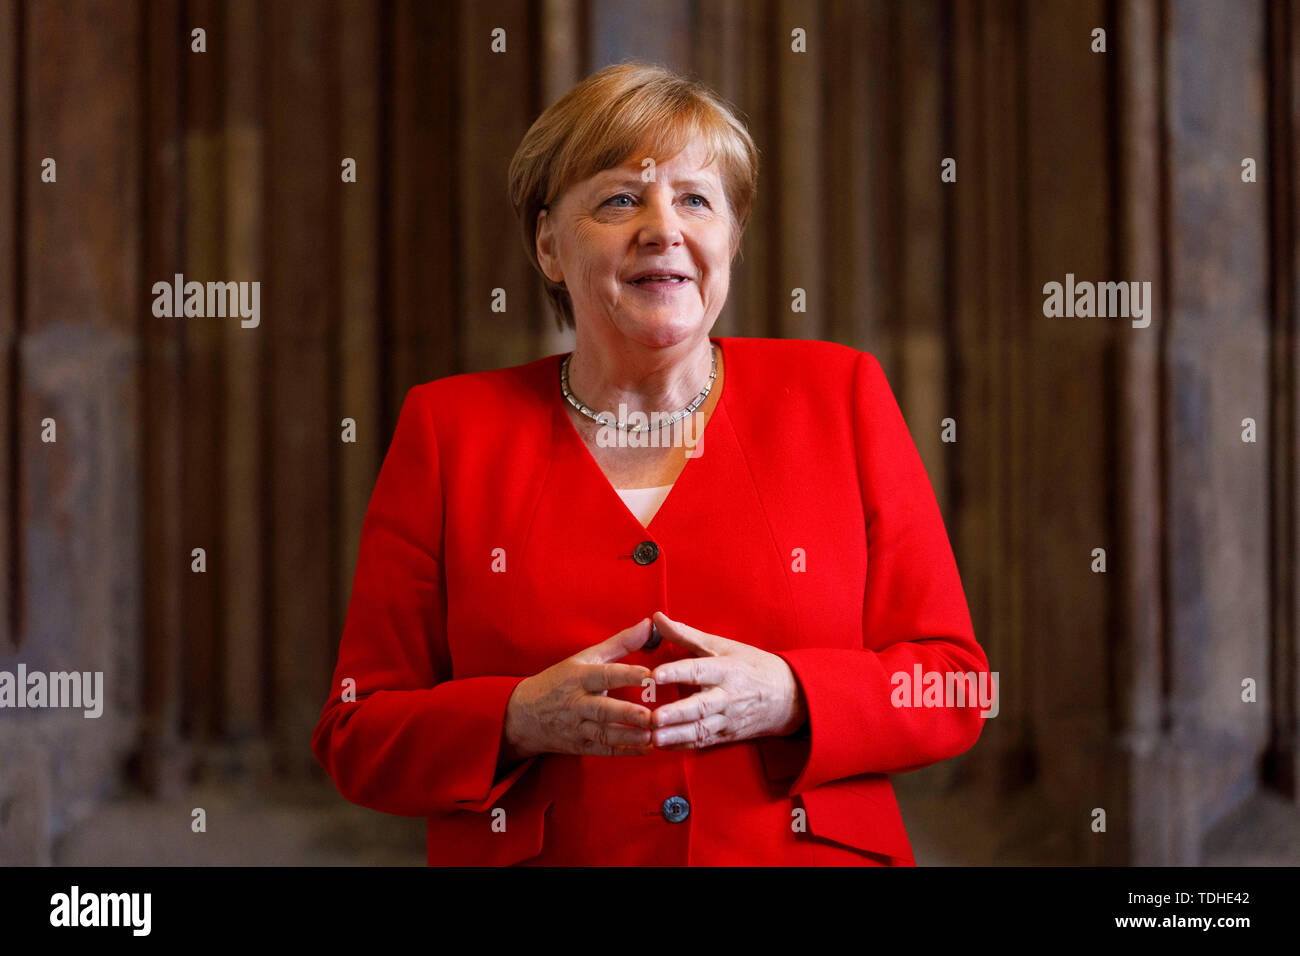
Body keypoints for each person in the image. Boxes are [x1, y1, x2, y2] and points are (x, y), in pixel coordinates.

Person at [312, 61, 991, 866]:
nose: (663, 227)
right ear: (548, 246)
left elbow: (954, 687)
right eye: (620, 199)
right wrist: (517, 716)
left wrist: (792, 695)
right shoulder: (448, 428)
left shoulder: (838, 394)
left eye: (696, 199)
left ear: (730, 238)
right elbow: (357, 731)